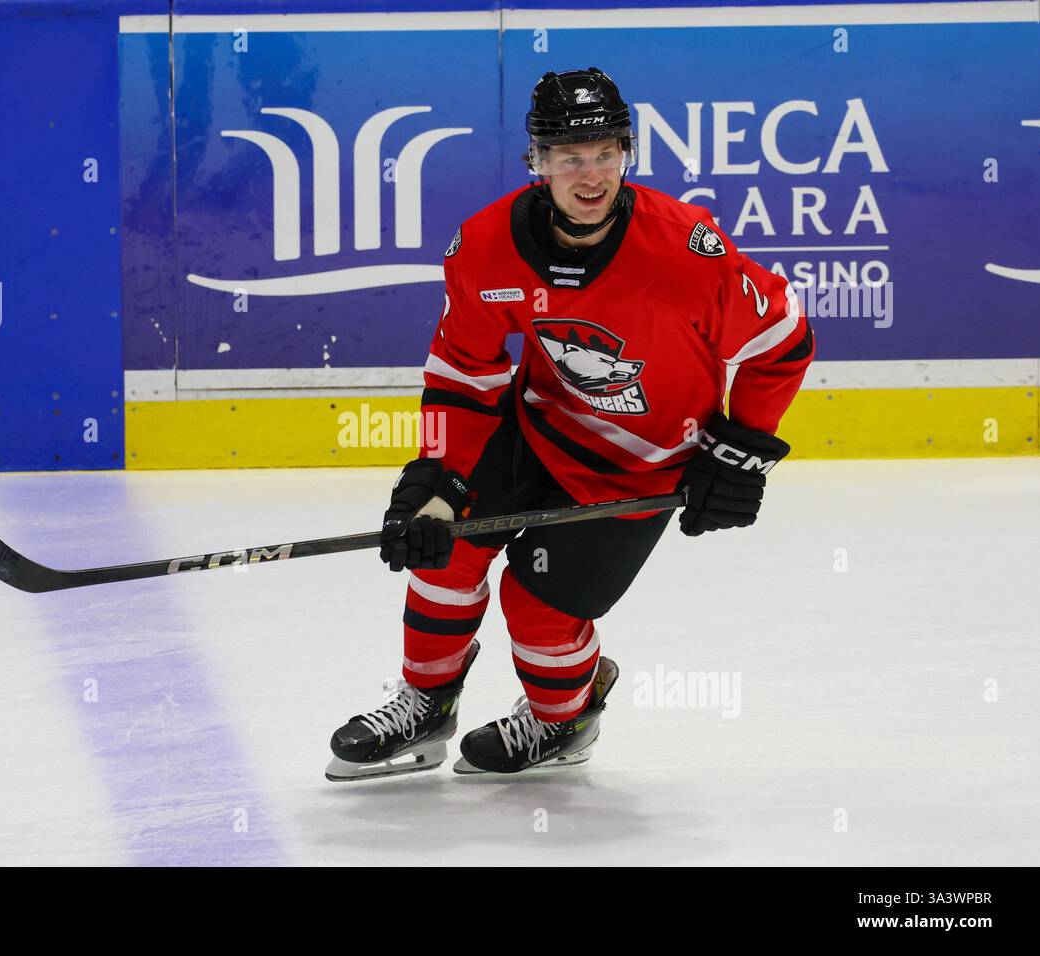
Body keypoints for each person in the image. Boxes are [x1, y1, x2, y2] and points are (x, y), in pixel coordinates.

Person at [326, 67, 814, 780]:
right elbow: (461, 373)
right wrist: (438, 474)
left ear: (626, 154)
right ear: (538, 162)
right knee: (445, 548)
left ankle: (565, 719)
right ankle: (427, 703)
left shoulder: (686, 251)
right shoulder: (485, 247)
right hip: (536, 427)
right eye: (569, 157)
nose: (591, 176)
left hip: (643, 465)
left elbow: (784, 343)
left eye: (606, 154)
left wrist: (737, 452)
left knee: (536, 604)